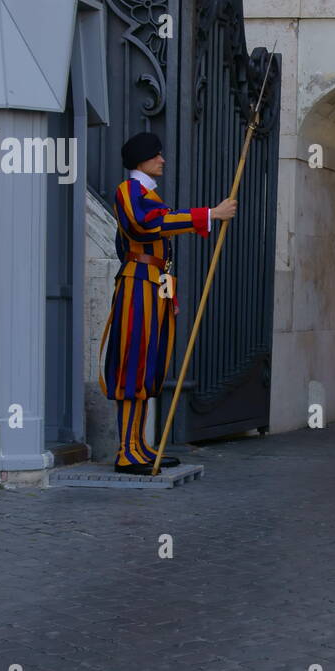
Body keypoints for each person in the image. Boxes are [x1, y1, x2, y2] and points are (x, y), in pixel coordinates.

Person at [99, 132, 237, 474]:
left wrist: (168, 294)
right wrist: (208, 215)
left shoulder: (146, 193)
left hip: (154, 284)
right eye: (157, 155)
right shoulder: (128, 191)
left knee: (148, 365)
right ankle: (127, 452)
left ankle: (139, 445)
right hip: (136, 285)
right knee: (133, 364)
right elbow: (146, 227)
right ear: (143, 159)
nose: (162, 160)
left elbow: (161, 246)